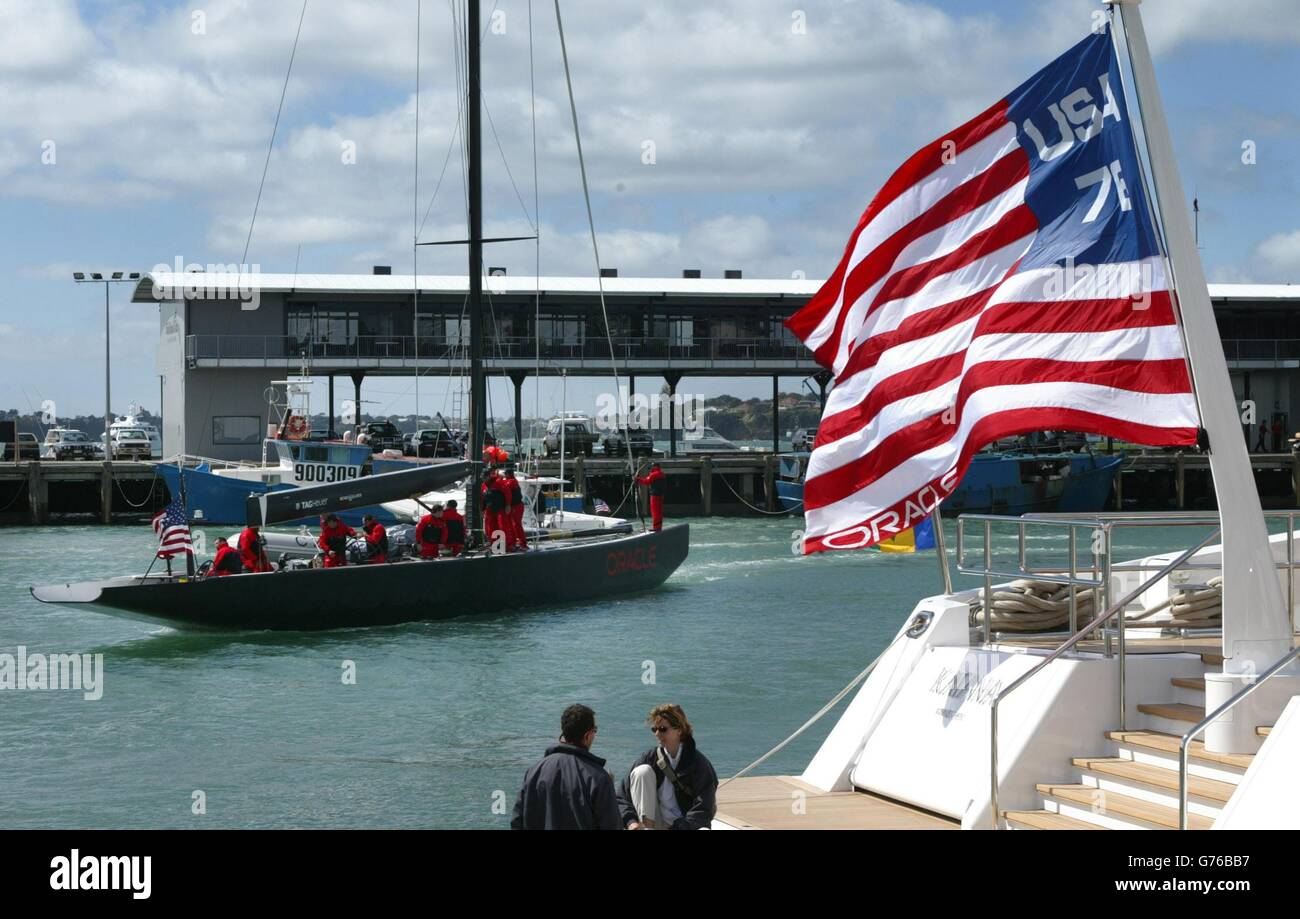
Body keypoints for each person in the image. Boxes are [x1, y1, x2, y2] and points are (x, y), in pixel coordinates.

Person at [511, 704, 621, 830]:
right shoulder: (598, 778)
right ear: (587, 736)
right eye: (594, 730)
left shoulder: (533, 771)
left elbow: (517, 821)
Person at [617, 704, 718, 830]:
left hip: (685, 826)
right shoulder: (650, 758)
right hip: (656, 824)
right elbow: (621, 796)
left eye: (663, 729)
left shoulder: (698, 764)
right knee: (641, 771)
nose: (657, 734)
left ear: (679, 730)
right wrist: (631, 822)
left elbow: (703, 809)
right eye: (655, 729)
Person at [636, 462, 667, 531]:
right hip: (661, 495)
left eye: (653, 466)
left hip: (655, 495)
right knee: (659, 512)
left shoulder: (654, 474)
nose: (651, 468)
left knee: (655, 512)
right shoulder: (662, 474)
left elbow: (646, 481)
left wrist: (638, 479)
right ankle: (659, 527)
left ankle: (656, 528)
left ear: (655, 467)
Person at [482, 470, 508, 549]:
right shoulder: (483, 486)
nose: (483, 479)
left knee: (502, 526)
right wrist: (483, 509)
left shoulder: (498, 483)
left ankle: (503, 545)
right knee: (490, 527)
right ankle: (493, 543)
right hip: (490, 509)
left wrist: (508, 505)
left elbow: (507, 493)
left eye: (484, 477)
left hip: (500, 508)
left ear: (488, 477)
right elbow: (482, 498)